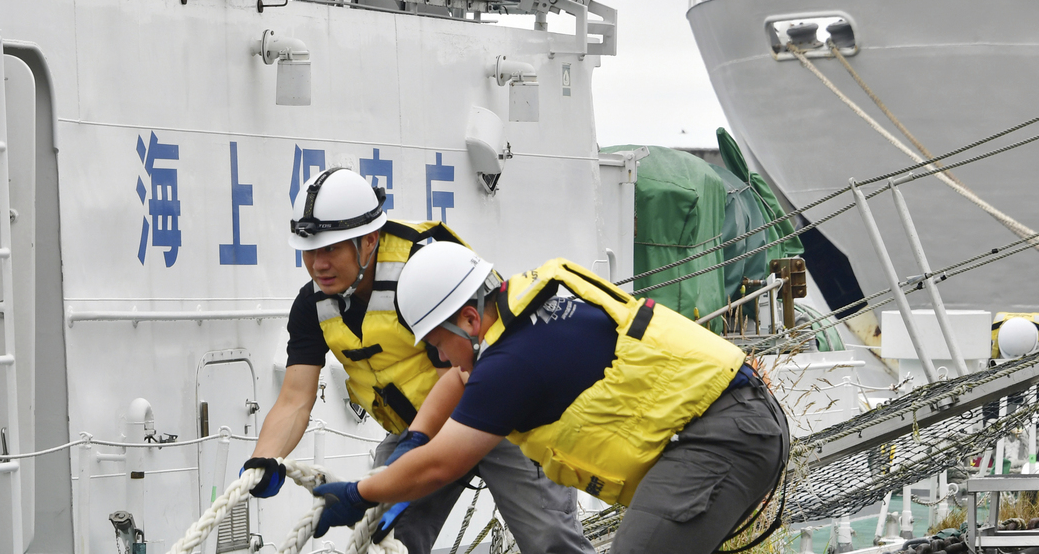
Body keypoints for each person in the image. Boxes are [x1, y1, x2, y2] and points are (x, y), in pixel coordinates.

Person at [312, 242, 790, 554]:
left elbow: (440, 466)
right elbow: (458, 382)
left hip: (721, 438)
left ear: (469, 320)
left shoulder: (511, 365)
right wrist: (415, 437)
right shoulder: (525, 312)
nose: (439, 357)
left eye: (437, 341)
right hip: (730, 420)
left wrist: (358, 494)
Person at [245, 168, 595, 554]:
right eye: (309, 251)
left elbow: (461, 373)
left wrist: (408, 456)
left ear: (369, 241)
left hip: (500, 417)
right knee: (389, 540)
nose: (318, 265)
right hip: (418, 428)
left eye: (331, 249)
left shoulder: (426, 274)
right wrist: (265, 459)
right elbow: (294, 398)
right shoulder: (313, 304)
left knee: (551, 541)